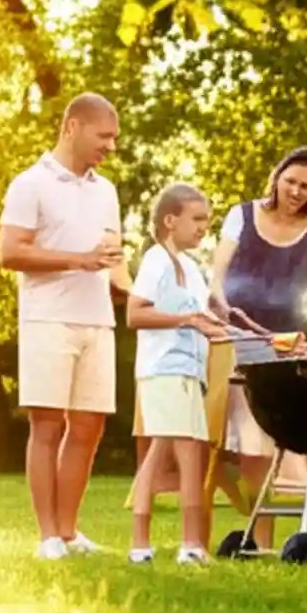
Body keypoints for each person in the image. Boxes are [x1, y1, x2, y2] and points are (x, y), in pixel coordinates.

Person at [0, 92, 131, 560]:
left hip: (97, 319)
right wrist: (79, 260)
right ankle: (48, 536)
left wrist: (135, 293)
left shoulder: (106, 190)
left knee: (89, 427)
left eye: (114, 137)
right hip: (47, 318)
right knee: (47, 425)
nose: (111, 146)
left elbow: (112, 257)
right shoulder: (29, 184)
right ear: (72, 127)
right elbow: (10, 252)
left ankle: (71, 532)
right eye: (104, 136)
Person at [208, 146, 307, 551]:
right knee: (231, 447)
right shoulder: (242, 214)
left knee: (263, 445)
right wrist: (218, 305)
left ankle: (265, 539)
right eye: (291, 181)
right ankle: (250, 535)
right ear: (277, 177)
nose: (297, 191)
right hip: (232, 337)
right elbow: (217, 274)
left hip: (282, 343)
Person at [125, 183, 228, 565]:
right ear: (171, 221)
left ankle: (155, 545)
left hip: (188, 373)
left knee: (176, 452)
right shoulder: (156, 260)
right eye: (197, 219)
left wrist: (268, 338)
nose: (204, 227)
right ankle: (184, 545)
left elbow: (209, 322)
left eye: (207, 220)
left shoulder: (191, 268)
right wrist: (187, 319)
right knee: (182, 452)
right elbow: (135, 313)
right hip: (162, 370)